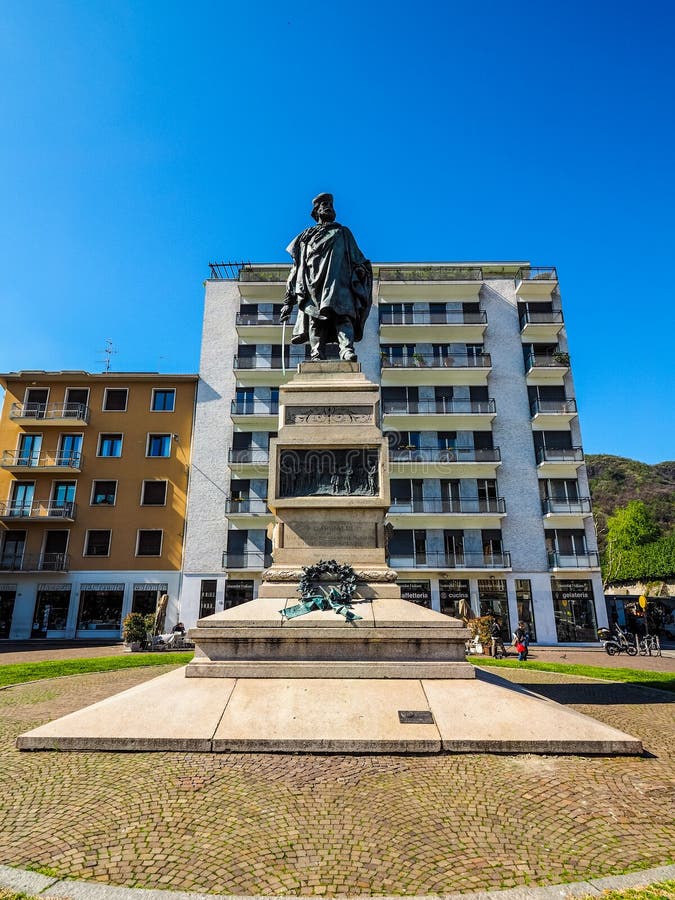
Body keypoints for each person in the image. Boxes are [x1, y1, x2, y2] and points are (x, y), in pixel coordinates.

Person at [280, 193, 373, 361]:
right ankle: (317, 353)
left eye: (330, 204)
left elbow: (358, 259)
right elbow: (296, 269)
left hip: (339, 283)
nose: (328, 207)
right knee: (316, 320)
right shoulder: (305, 237)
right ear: (316, 211)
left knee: (343, 317)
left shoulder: (343, 232)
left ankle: (346, 349)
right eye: (323, 204)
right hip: (312, 285)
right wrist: (288, 301)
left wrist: (361, 270)